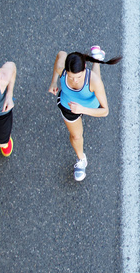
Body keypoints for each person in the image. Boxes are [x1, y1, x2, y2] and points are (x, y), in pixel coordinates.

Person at [48, 46, 120, 180]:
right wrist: (53, 82)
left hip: (89, 105)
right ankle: (81, 160)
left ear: (84, 68)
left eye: (79, 76)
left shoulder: (93, 80)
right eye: (71, 77)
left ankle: (96, 60)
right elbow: (61, 54)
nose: (75, 80)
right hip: (68, 106)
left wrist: (82, 110)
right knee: (76, 136)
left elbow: (105, 111)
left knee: (95, 79)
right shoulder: (61, 69)